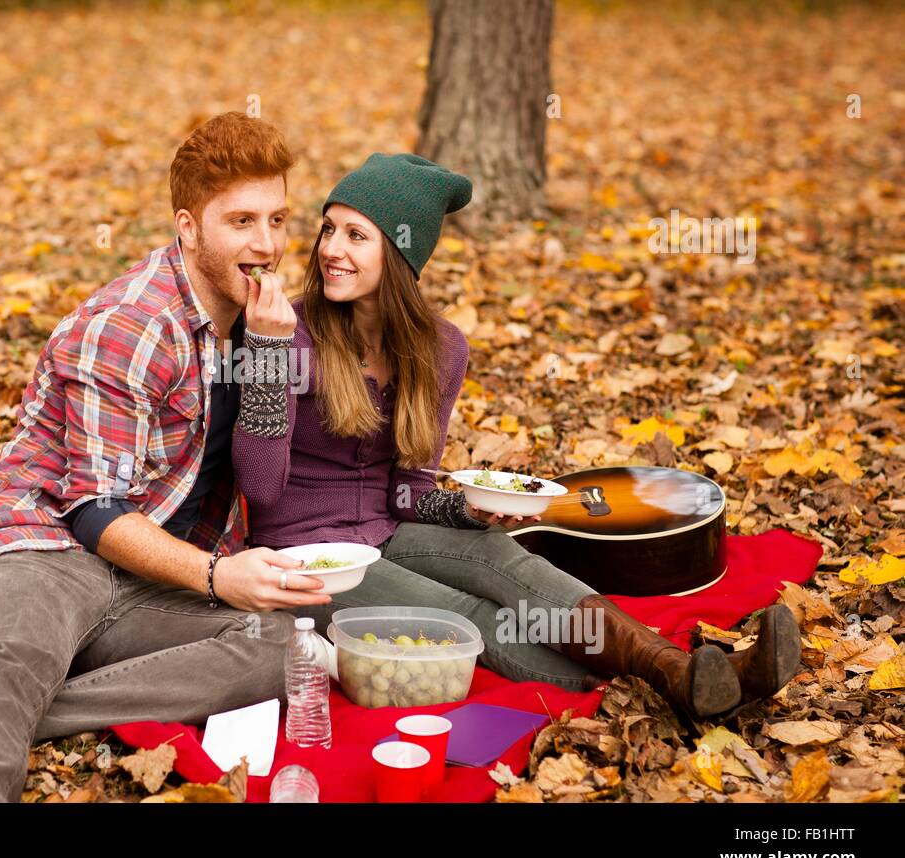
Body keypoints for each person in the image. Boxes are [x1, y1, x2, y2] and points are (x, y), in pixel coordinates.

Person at [230, 152, 801, 721]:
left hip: (389, 529)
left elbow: (406, 492)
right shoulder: (286, 333)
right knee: (467, 612)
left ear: (402, 255)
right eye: (329, 229)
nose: (330, 248)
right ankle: (674, 683)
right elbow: (261, 490)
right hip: (307, 556)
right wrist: (265, 353)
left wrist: (474, 513)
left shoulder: (441, 349)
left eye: (357, 235)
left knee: (512, 563)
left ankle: (685, 671)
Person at [0, 112, 332, 802]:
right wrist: (216, 575)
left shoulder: (262, 323)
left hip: (149, 574)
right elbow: (93, 513)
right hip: (48, 545)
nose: (266, 245)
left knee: (282, 647)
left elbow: (261, 483)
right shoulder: (130, 328)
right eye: (241, 222)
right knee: (11, 660)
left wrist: (266, 358)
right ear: (187, 227)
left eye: (277, 219)